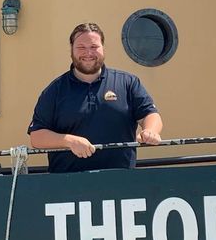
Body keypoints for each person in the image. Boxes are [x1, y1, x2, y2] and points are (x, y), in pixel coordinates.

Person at [28, 22, 163, 172]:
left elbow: (149, 115)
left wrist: (151, 131)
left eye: (94, 47)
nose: (88, 53)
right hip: (67, 186)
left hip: (122, 183)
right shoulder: (55, 90)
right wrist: (69, 141)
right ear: (71, 50)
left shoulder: (127, 83)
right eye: (81, 47)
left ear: (103, 48)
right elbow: (37, 137)